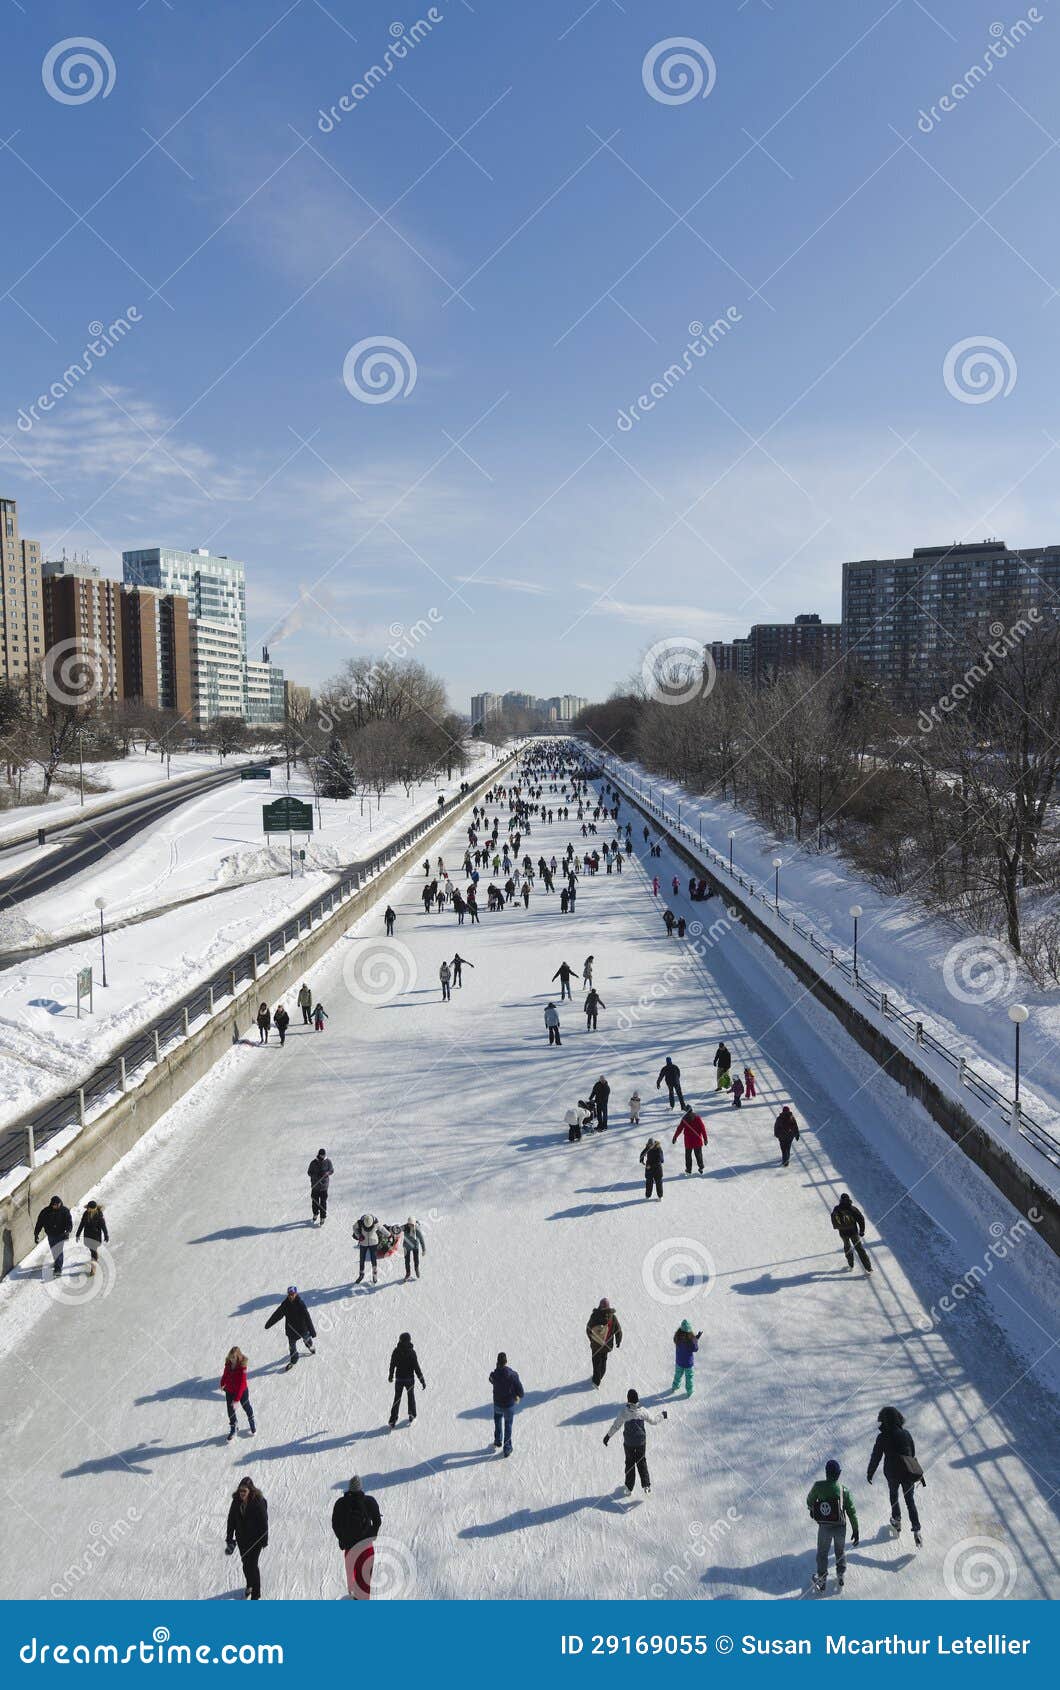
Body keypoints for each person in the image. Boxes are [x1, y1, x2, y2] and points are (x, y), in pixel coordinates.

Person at [867, 1407, 924, 1545]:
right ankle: (916, 1530)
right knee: (910, 1501)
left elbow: (876, 1456)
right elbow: (912, 1453)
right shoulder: (906, 1434)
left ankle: (897, 1521)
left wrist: (870, 1472)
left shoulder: (882, 1437)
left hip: (892, 1472)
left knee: (894, 1495)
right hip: (907, 1472)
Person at [807, 1459, 859, 1593]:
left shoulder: (818, 1486)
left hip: (825, 1526)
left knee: (822, 1553)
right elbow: (851, 1511)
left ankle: (822, 1579)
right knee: (840, 1551)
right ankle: (840, 1574)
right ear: (838, 1474)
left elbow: (809, 1501)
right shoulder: (843, 1490)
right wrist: (856, 1529)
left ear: (826, 1473)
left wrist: (812, 1510)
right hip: (840, 1526)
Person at [604, 1389, 667, 1496]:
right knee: (641, 1462)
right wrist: (662, 1415)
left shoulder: (624, 1412)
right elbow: (654, 1421)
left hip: (629, 1443)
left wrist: (608, 1436)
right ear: (637, 1399)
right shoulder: (643, 1411)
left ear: (628, 1400)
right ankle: (646, 1485)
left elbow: (616, 1426)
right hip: (641, 1442)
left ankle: (629, 1488)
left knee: (630, 1463)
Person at [332, 1476, 381, 1599]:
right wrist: (372, 1535)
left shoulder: (340, 1503)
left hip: (350, 1548)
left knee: (352, 1575)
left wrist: (342, 1539)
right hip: (366, 1547)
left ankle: (353, 1596)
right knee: (364, 1578)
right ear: (360, 1488)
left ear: (349, 1488)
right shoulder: (369, 1502)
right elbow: (377, 1521)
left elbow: (335, 1524)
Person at [226, 1476, 268, 1600]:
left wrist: (264, 1540)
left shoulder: (258, 1502)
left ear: (250, 1490)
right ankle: (250, 1584)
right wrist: (229, 1538)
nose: (242, 1493)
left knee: (253, 1566)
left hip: (255, 1540)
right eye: (240, 1491)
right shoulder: (236, 1502)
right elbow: (231, 1520)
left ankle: (256, 1594)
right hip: (242, 1539)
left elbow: (264, 1522)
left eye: (244, 1491)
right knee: (245, 1565)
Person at [265, 1285, 317, 1368]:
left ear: (296, 1293)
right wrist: (268, 1324)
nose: (291, 1296)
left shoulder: (300, 1304)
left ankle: (310, 1346)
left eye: (292, 1294)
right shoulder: (285, 1304)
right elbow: (277, 1315)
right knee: (292, 1347)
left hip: (303, 1329)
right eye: (289, 1294)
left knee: (307, 1339)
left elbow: (307, 1318)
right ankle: (293, 1360)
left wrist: (312, 1331)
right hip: (291, 1331)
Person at [489, 1351, 524, 1456]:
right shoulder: (513, 1375)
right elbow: (521, 1392)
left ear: (497, 1362)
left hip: (497, 1404)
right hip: (509, 1405)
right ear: (506, 1361)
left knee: (498, 1420)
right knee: (508, 1424)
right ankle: (507, 1448)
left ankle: (498, 1440)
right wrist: (516, 1395)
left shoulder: (494, 1375)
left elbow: (491, 1379)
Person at [388, 1331, 426, 1426]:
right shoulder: (412, 1352)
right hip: (409, 1380)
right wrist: (422, 1380)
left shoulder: (396, 1351)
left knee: (397, 1398)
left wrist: (391, 1375)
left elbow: (392, 1364)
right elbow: (416, 1367)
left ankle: (393, 1420)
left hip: (399, 1380)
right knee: (411, 1397)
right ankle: (412, 1414)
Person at [831, 1193, 873, 1273]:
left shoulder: (836, 1208)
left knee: (847, 1247)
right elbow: (861, 1219)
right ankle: (868, 1268)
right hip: (853, 1232)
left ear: (841, 1200)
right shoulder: (852, 1208)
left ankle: (851, 1265)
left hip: (843, 1233)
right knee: (860, 1249)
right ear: (849, 1199)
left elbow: (834, 1220)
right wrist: (861, 1231)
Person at [220, 1346, 256, 1439]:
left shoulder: (242, 1368)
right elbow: (225, 1374)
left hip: (241, 1391)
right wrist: (222, 1383)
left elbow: (242, 1385)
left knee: (246, 1406)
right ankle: (234, 1427)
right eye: (231, 1357)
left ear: (238, 1357)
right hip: (230, 1390)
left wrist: (236, 1400)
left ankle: (251, 1420)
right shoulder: (228, 1364)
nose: (232, 1360)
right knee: (230, 1410)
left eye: (234, 1358)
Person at [586, 1297, 622, 1386]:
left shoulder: (594, 1316)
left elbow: (588, 1329)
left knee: (596, 1362)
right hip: (607, 1345)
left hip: (596, 1345)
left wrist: (592, 1339)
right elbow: (618, 1330)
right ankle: (600, 1376)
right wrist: (618, 1340)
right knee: (603, 1360)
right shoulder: (612, 1318)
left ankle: (596, 1381)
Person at [34, 1195, 72, 1278]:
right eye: (56, 1204)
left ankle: (58, 1269)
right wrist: (36, 1234)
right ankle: (57, 1263)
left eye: (59, 1204)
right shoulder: (45, 1212)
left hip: (60, 1234)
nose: (58, 1205)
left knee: (58, 1251)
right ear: (52, 1204)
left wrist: (68, 1231)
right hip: (51, 1235)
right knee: (54, 1251)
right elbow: (39, 1223)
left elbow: (69, 1222)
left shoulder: (64, 1211)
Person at [75, 1200, 108, 1275]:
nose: (87, 1209)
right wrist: (78, 1234)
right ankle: (95, 1255)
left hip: (95, 1236)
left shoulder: (99, 1215)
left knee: (93, 1252)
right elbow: (82, 1224)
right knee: (91, 1250)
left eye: (89, 1208)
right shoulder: (86, 1213)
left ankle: (93, 1268)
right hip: (87, 1235)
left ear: (93, 1209)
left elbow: (103, 1226)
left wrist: (106, 1235)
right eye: (87, 1208)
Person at [672, 1107, 708, 1175]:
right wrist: (705, 1139)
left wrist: (675, 1137)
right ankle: (701, 1167)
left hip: (688, 1140)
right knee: (698, 1154)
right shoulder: (697, 1118)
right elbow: (703, 1129)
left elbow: (679, 1129)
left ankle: (688, 1170)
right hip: (697, 1139)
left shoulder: (685, 1119)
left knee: (688, 1156)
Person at [671, 1320, 701, 1396]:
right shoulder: (691, 1341)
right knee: (689, 1378)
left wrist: (694, 1339)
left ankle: (675, 1386)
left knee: (678, 1375)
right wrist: (695, 1340)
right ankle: (689, 1391)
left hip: (679, 1362)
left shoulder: (677, 1338)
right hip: (688, 1364)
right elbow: (695, 1349)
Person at [353, 1214, 381, 1283]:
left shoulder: (376, 1222)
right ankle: (361, 1274)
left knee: (373, 1259)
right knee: (362, 1258)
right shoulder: (360, 1222)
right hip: (363, 1243)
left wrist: (389, 1235)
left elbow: (381, 1228)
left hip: (373, 1242)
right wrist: (359, 1236)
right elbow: (354, 1228)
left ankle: (375, 1275)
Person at [308, 1148, 333, 1224]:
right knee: (315, 1202)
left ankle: (322, 1217)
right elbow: (309, 1172)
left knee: (323, 1203)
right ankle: (315, 1214)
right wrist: (316, 1175)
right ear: (319, 1154)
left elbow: (331, 1170)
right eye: (321, 1155)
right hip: (315, 1186)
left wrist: (327, 1174)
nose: (322, 1156)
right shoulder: (313, 1162)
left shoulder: (328, 1162)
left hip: (324, 1187)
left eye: (324, 1155)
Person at [402, 1216, 426, 1281]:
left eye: (412, 1224)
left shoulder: (417, 1229)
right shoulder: (405, 1227)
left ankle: (416, 1268)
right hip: (406, 1247)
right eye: (409, 1224)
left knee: (416, 1259)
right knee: (407, 1261)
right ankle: (408, 1273)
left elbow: (421, 1239)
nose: (410, 1226)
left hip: (415, 1246)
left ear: (414, 1224)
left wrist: (424, 1249)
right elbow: (398, 1229)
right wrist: (395, 1229)